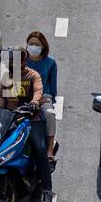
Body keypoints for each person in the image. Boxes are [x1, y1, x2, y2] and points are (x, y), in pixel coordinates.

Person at [0, 48, 53, 202]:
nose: (11, 65)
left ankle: (47, 190)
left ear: (23, 62)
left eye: (14, 61)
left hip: (31, 119)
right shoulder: (6, 77)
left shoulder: (33, 75)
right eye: (9, 62)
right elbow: (1, 97)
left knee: (39, 149)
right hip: (10, 119)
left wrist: (35, 102)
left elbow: (38, 91)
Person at [25, 32, 59, 164]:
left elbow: (52, 87)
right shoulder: (21, 60)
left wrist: (47, 100)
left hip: (44, 98)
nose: (33, 47)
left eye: (37, 45)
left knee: (49, 114)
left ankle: (49, 149)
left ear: (43, 47)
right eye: (31, 44)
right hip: (24, 98)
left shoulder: (50, 63)